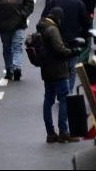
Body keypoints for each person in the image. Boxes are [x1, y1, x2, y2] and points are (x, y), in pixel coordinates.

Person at [32, 10, 76, 144]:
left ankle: (50, 133)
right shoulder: (53, 29)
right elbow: (59, 49)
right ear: (58, 19)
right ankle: (64, 131)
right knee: (64, 99)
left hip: (47, 70)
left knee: (48, 101)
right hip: (58, 70)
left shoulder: (41, 27)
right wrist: (72, 51)